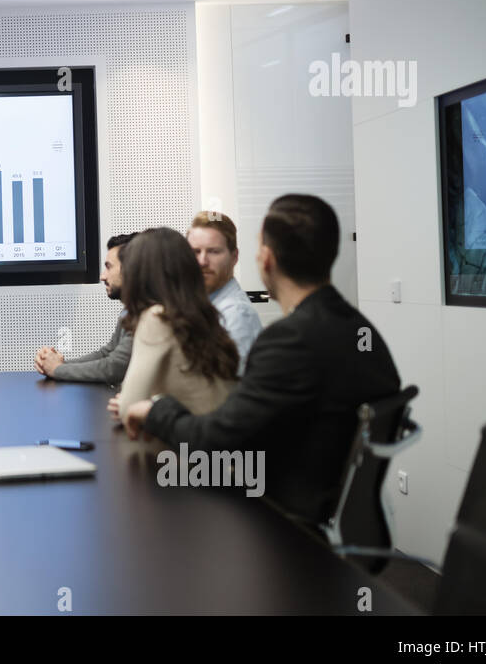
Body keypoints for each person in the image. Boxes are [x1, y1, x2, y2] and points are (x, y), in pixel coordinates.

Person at [122, 195, 402, 525]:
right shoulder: (361, 330)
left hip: (281, 517)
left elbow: (216, 439)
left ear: (265, 259)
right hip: (333, 508)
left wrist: (157, 409)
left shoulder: (290, 341)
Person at [104, 229, 238, 424]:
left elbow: (127, 408)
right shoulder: (202, 312)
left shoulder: (157, 317)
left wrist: (132, 404)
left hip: (192, 447)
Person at [35, 233, 136, 384]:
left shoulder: (147, 314)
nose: (102, 276)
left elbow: (114, 367)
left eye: (108, 267)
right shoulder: (129, 311)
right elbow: (107, 353)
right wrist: (59, 366)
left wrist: (57, 369)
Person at [187, 210, 264, 372]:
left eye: (213, 251)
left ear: (234, 257)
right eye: (195, 252)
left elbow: (226, 389)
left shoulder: (237, 314)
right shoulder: (200, 305)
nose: (202, 261)